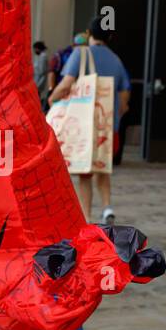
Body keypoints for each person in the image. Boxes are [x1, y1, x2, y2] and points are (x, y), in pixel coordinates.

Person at [49, 17, 131, 223]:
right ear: (109, 36)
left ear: (89, 34)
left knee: (85, 173)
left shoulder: (81, 53)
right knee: (102, 167)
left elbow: (66, 84)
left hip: (85, 126)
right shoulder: (116, 60)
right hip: (109, 127)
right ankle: (107, 207)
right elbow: (124, 99)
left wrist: (52, 98)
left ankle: (86, 217)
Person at [32, 40, 51, 108]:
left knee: (36, 95)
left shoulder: (43, 57)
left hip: (39, 80)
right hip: (37, 79)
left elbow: (41, 70)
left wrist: (34, 70)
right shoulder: (41, 56)